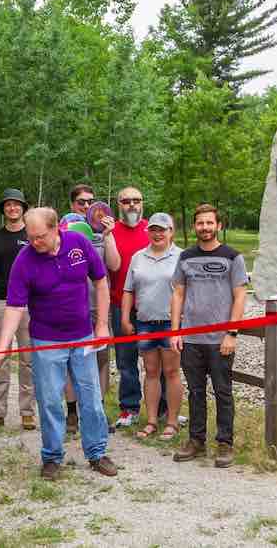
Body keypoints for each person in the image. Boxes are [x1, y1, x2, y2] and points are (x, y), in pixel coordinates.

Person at [0, 208, 118, 480]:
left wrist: (102, 326)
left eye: (40, 237)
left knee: (91, 398)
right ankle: (51, 455)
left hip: (83, 337)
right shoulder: (24, 260)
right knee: (49, 400)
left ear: (55, 229)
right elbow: (15, 307)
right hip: (46, 341)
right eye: (30, 237)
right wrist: (3, 347)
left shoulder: (79, 244)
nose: (34, 242)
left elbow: (101, 281)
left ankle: (96, 452)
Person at [170, 203, 248, 468]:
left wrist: (232, 333)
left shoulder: (233, 257)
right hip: (191, 339)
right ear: (195, 226)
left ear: (219, 226)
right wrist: (175, 330)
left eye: (209, 223)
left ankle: (225, 443)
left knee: (223, 391)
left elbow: (240, 296)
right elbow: (178, 293)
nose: (205, 227)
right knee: (196, 391)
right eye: (200, 223)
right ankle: (196, 440)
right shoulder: (186, 258)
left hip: (220, 340)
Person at [121, 213, 183, 441]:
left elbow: (187, 291)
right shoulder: (138, 257)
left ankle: (173, 421)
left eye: (163, 230)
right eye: (154, 229)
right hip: (145, 322)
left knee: (172, 371)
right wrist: (126, 319)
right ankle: (152, 420)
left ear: (171, 232)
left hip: (171, 322)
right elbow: (129, 290)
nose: (158, 234)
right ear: (148, 231)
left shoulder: (181, 257)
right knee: (151, 372)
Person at [0, 188, 36, 432]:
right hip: (2, 302)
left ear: (23, 208)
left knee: (28, 361)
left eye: (17, 204)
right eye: (8, 205)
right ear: (3, 209)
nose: (12, 208)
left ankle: (27, 413)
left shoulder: (32, 234)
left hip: (29, 303)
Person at [102, 186, 151, 429]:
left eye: (136, 200)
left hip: (153, 308)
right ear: (118, 204)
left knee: (158, 360)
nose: (132, 204)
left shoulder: (153, 229)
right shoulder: (111, 231)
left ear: (142, 203)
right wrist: (108, 236)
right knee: (126, 361)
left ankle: (161, 409)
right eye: (126, 201)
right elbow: (114, 266)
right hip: (121, 305)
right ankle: (129, 408)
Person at [63, 184, 110, 434]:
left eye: (91, 202)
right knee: (71, 362)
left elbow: (113, 266)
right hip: (72, 309)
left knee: (102, 361)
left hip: (98, 309)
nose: (87, 207)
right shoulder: (63, 233)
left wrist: (110, 237)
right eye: (82, 202)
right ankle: (72, 414)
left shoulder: (103, 236)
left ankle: (98, 411)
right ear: (73, 205)